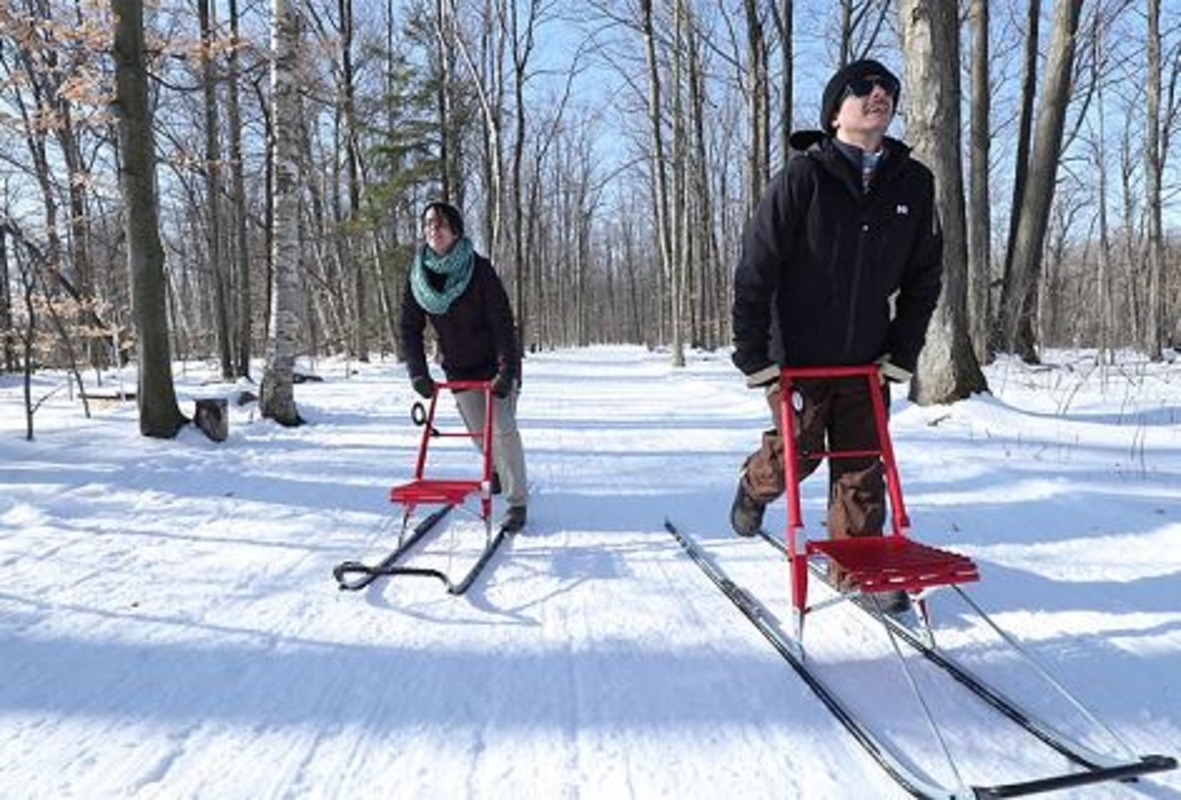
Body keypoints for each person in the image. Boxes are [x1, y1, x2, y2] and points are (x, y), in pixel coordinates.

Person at [729, 59, 943, 610]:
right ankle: (754, 486)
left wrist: (902, 352)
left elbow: (925, 277)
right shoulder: (804, 177)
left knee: (861, 465)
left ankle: (857, 572)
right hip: (797, 356)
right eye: (865, 88)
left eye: (888, 89)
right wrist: (754, 352)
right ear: (834, 111)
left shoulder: (913, 184)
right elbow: (758, 266)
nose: (880, 95)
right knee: (797, 454)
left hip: (867, 360)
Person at [399, 201, 529, 533]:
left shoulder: (479, 268)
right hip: (458, 368)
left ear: (455, 230)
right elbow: (409, 328)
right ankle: (496, 469)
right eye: (428, 224)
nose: (433, 230)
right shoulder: (419, 276)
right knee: (479, 435)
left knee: (502, 427)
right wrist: (418, 372)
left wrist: (506, 370)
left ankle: (517, 503)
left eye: (440, 224)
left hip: (495, 364)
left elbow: (502, 323)